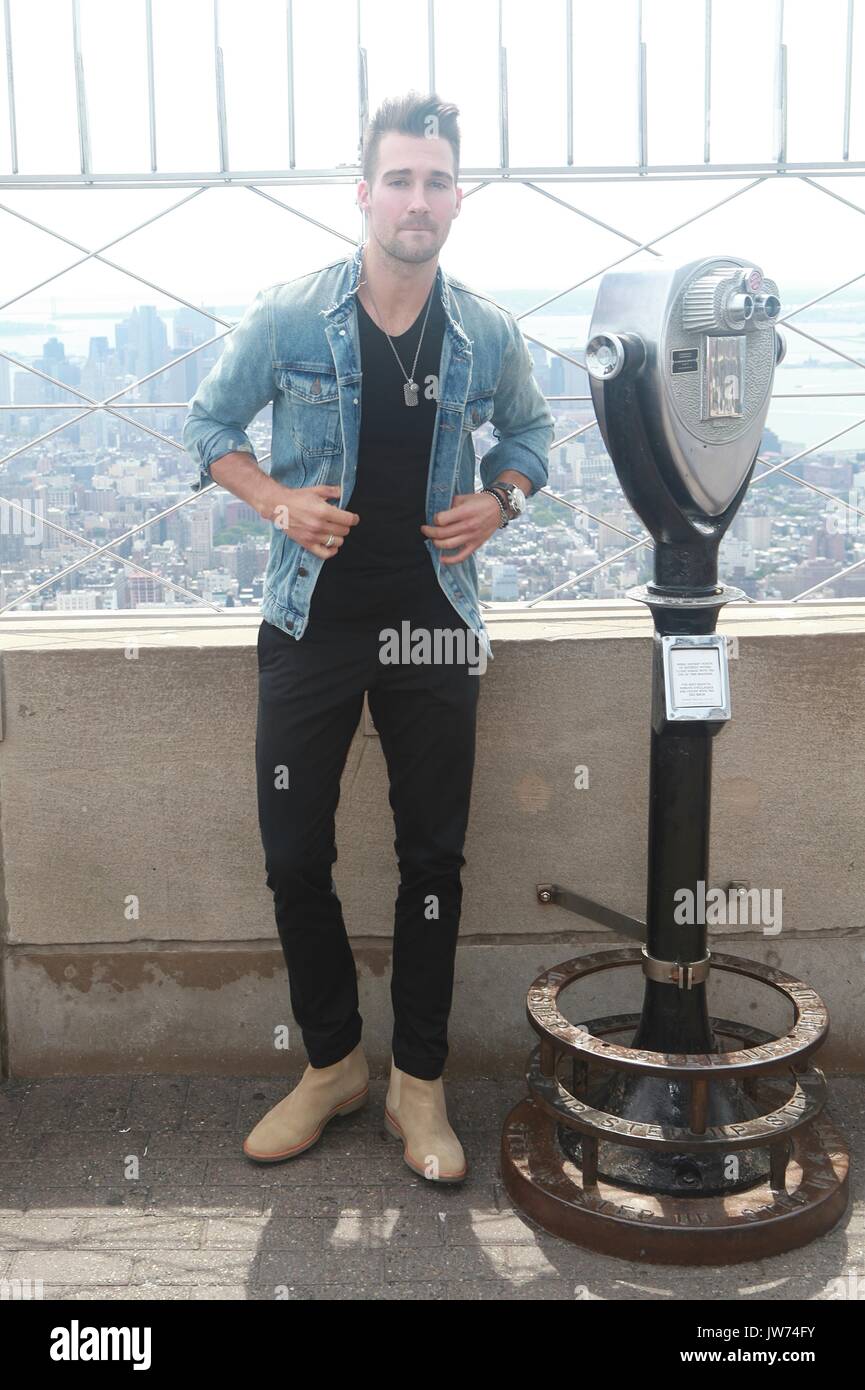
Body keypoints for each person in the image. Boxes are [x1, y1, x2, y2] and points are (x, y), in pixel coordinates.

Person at [182, 91, 553, 1183]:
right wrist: (276, 501)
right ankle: (334, 1061)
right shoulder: (291, 317)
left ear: (456, 199)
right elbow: (207, 428)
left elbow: (531, 435)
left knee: (431, 856)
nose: (417, 198)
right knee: (295, 851)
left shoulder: (484, 331)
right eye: (399, 178)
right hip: (313, 621)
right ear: (363, 193)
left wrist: (505, 498)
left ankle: (418, 1086)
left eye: (436, 180)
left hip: (435, 623)